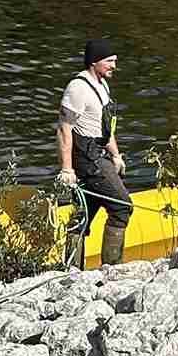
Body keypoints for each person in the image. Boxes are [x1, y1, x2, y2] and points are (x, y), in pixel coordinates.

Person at [56, 37, 131, 266]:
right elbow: (63, 129)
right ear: (94, 61)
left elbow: (105, 128)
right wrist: (67, 169)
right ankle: (111, 269)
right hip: (87, 157)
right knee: (122, 207)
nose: (114, 66)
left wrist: (116, 155)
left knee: (83, 214)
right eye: (109, 61)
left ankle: (71, 269)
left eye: (115, 61)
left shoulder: (102, 84)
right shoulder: (77, 88)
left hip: (99, 151)